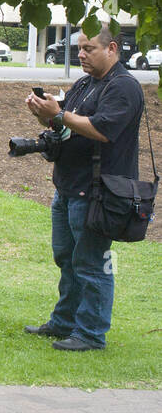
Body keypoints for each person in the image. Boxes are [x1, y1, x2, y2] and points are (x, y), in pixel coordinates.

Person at [23, 28, 144, 350]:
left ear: (112, 48)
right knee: (66, 258)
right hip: (67, 186)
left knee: (92, 263)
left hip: (98, 191)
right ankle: (64, 323)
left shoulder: (124, 87)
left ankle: (90, 334)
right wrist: (44, 115)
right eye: (79, 49)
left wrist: (59, 114)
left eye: (89, 49)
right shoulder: (85, 83)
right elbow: (64, 125)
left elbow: (103, 130)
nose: (81, 55)